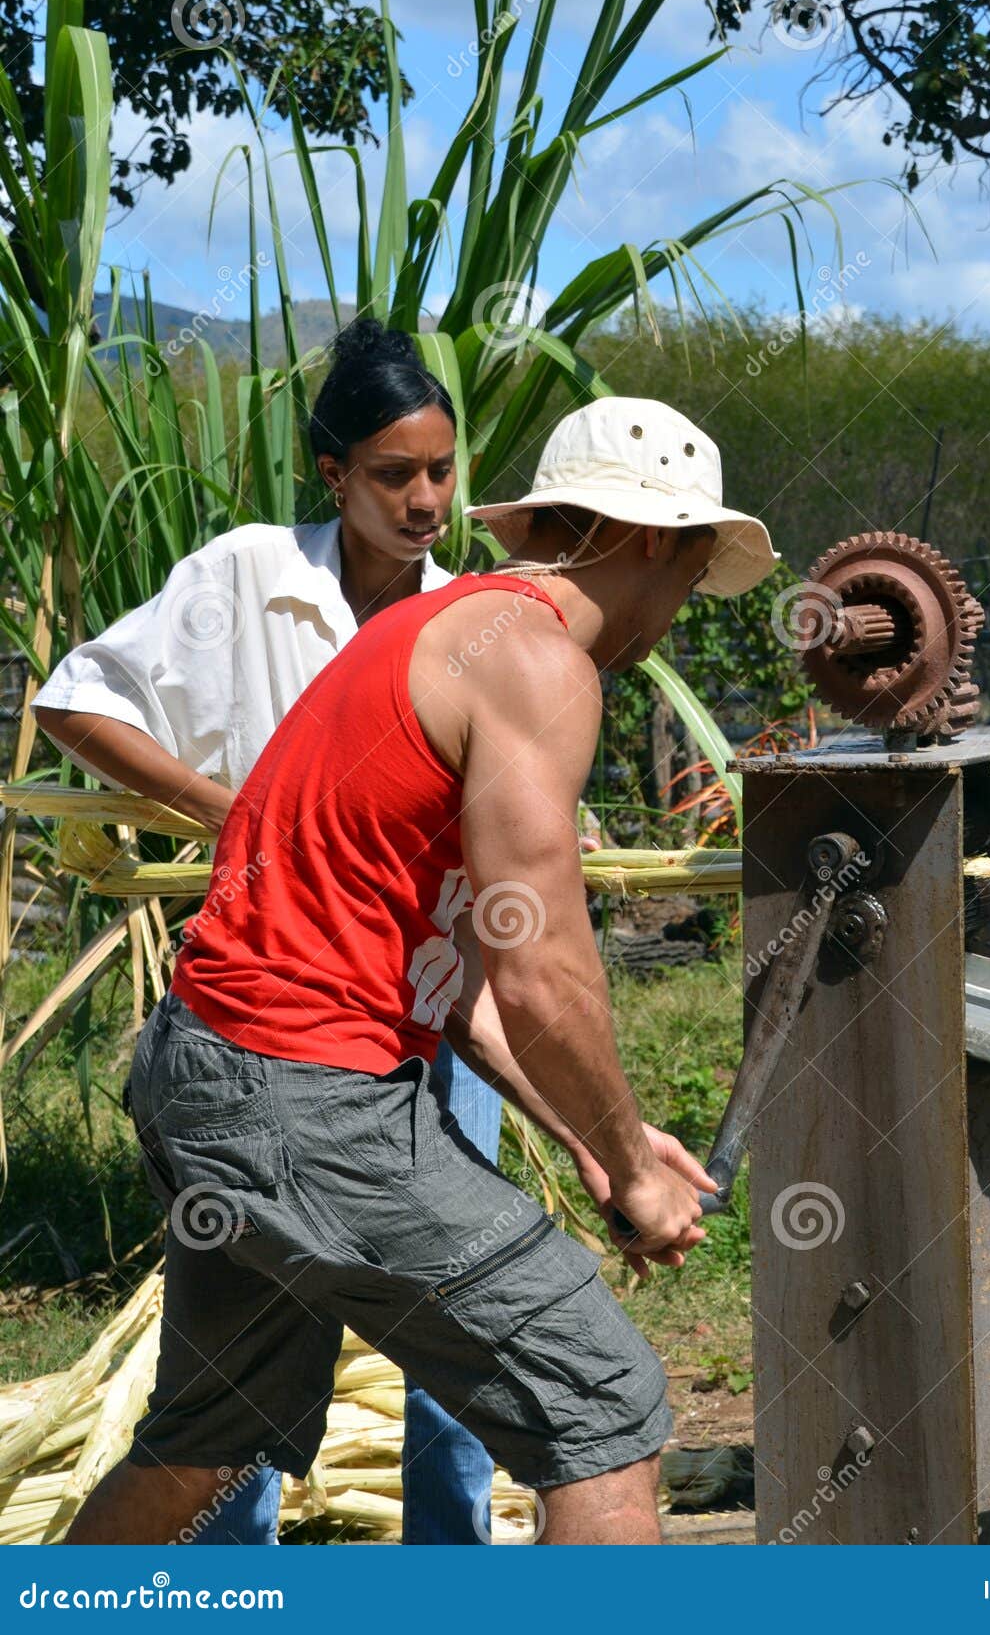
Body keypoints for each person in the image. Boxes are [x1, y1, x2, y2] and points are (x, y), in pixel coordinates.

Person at [63, 395, 778, 1546]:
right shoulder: (541, 664)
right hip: (307, 1093)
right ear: (653, 540)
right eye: (691, 577)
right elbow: (543, 976)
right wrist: (641, 1186)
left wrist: (612, 1144)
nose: (677, 616)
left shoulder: (434, 634)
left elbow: (473, 995)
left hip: (208, 1068)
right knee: (609, 1407)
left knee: (205, 1435)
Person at [34, 318, 506, 1544]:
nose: (423, 500)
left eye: (440, 472)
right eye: (392, 473)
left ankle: (447, 1569)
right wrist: (232, 809)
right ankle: (232, 1573)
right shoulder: (250, 579)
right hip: (277, 1022)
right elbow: (78, 697)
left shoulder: (475, 619)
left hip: (431, 1004)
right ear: (330, 473)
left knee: (457, 1308)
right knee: (253, 1314)